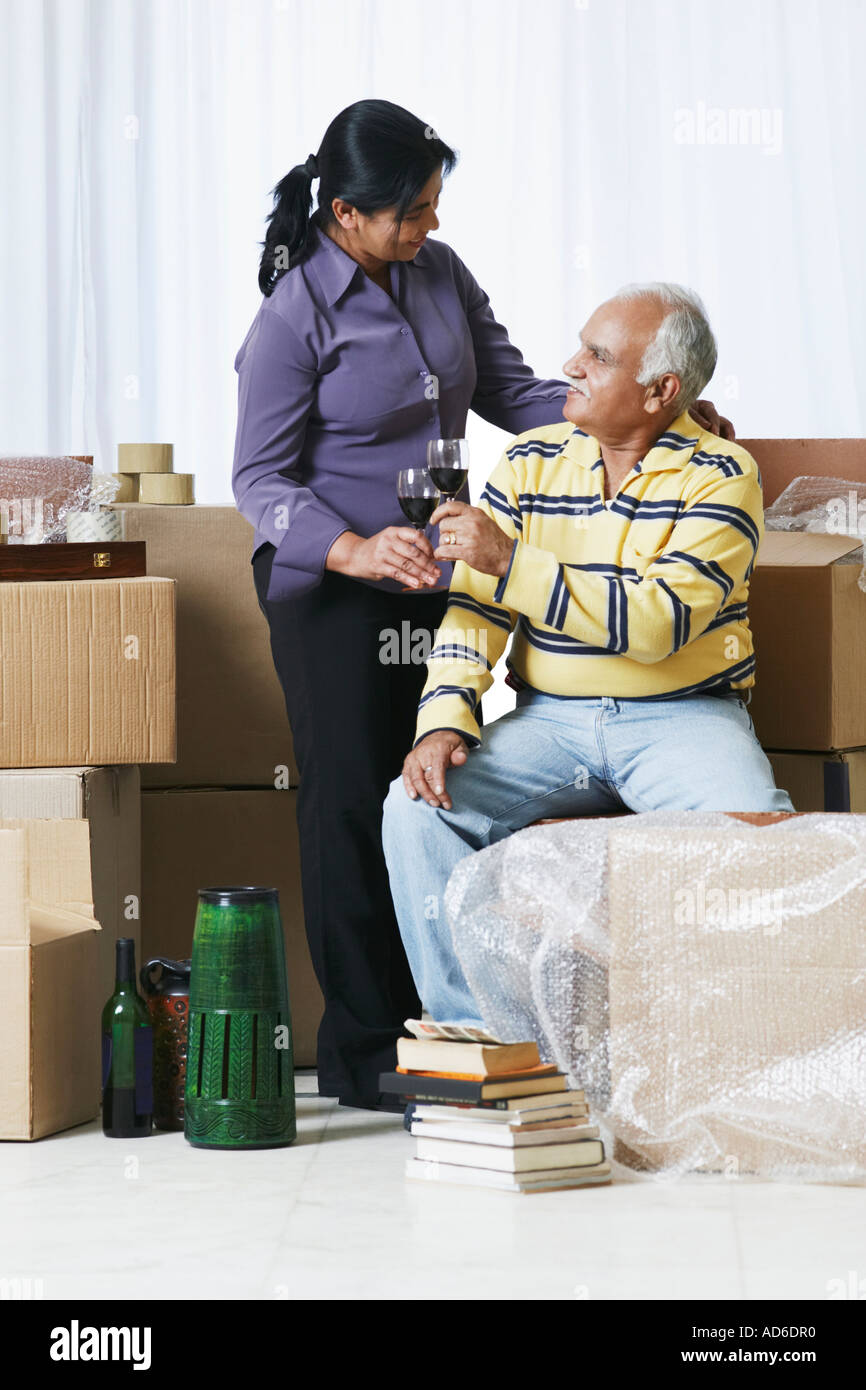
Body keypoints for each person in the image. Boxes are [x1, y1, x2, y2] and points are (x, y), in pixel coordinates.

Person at [232, 99, 731, 1109]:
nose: (426, 227)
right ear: (347, 214)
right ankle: (366, 1050)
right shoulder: (294, 317)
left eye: (430, 206)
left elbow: (510, 385)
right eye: (409, 212)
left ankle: (447, 1034)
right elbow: (258, 479)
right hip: (331, 587)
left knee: (425, 790)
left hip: (438, 576)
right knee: (344, 804)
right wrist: (356, 547)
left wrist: (646, 408)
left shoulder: (439, 276)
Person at [382, 283, 795, 1027]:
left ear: (659, 391)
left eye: (597, 357)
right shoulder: (532, 459)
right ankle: (484, 1046)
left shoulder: (723, 476)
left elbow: (658, 624)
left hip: (684, 718)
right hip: (552, 723)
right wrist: (444, 720)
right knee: (417, 808)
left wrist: (512, 559)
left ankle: (735, 1061)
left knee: (758, 839)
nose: (570, 366)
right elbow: (476, 610)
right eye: (581, 346)